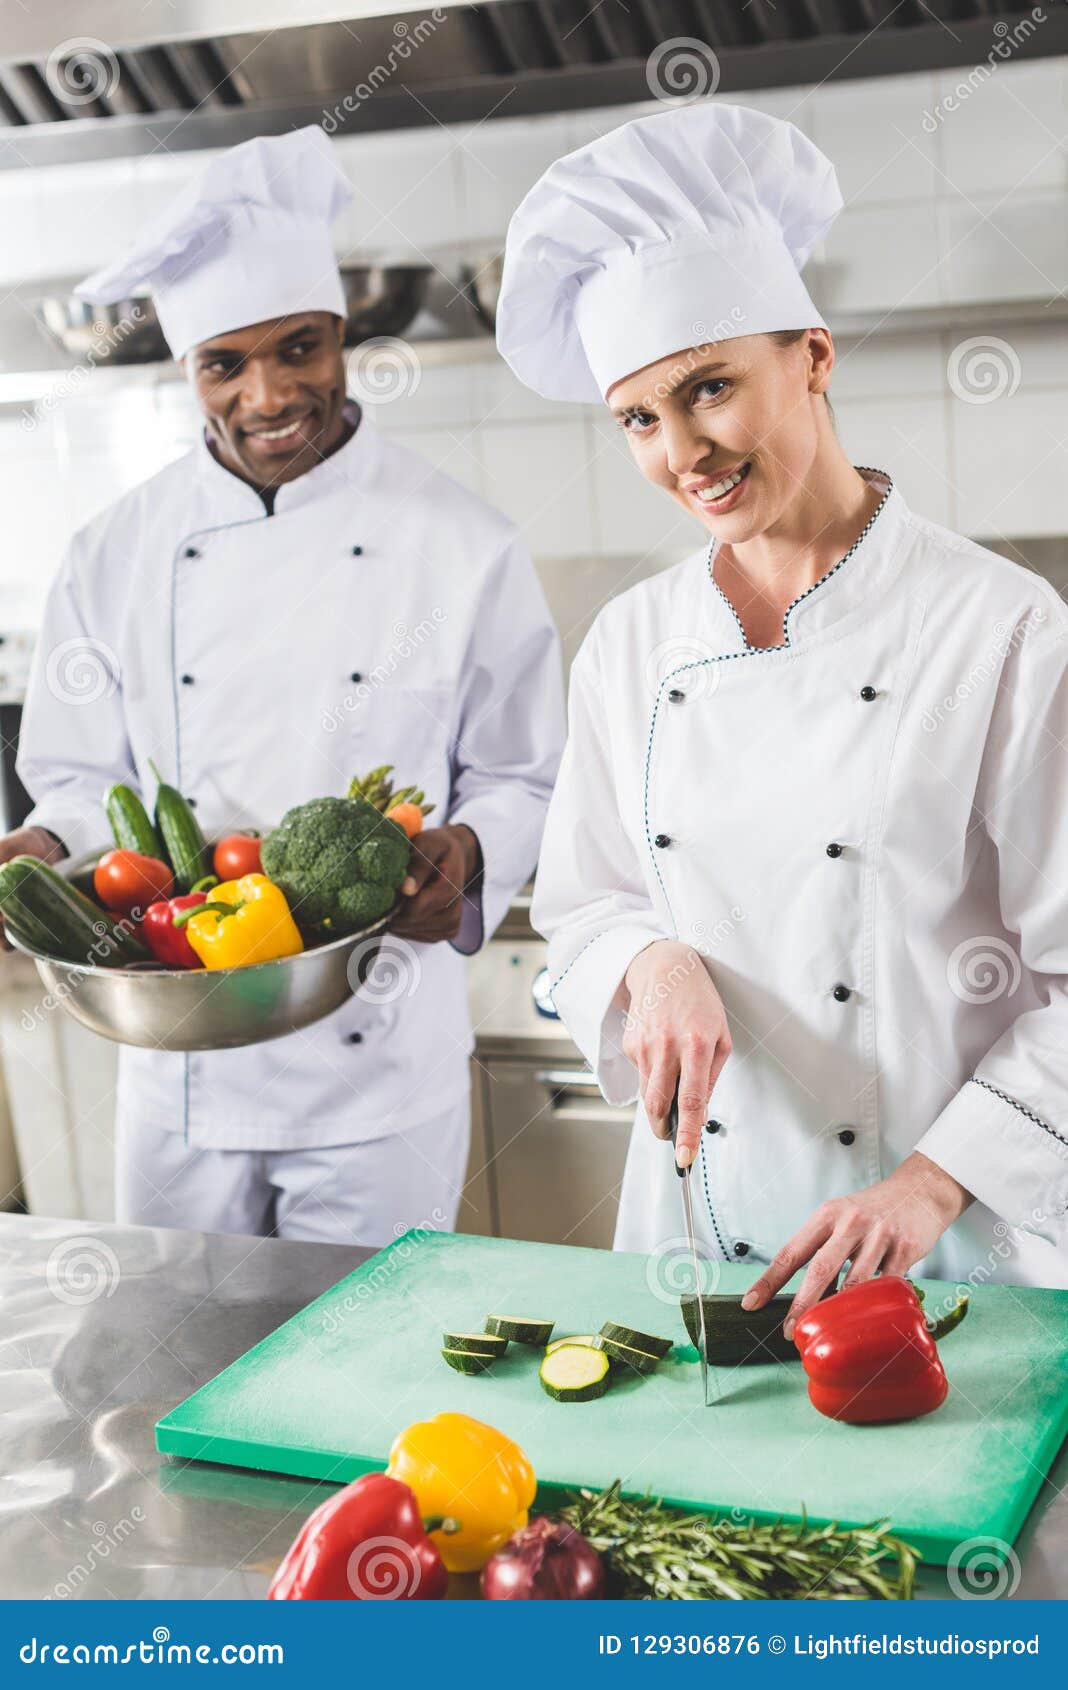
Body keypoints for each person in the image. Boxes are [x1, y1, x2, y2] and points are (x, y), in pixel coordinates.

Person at [495, 101, 1068, 1326]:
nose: (682, 452)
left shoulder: (1003, 630)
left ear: (813, 354)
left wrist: (928, 1182)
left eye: (710, 389)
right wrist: (649, 964)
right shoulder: (634, 644)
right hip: (701, 1249)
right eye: (640, 419)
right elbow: (585, 903)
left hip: (943, 1255)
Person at [3, 126, 564, 1247]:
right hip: (179, 1066)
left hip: (380, 1064)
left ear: (341, 337)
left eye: (298, 348)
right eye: (225, 363)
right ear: (189, 371)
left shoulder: (463, 541)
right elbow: (76, 781)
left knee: (360, 1376)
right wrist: (42, 851)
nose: (268, 393)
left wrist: (462, 859)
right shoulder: (114, 548)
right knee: (175, 1360)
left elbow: (525, 773)